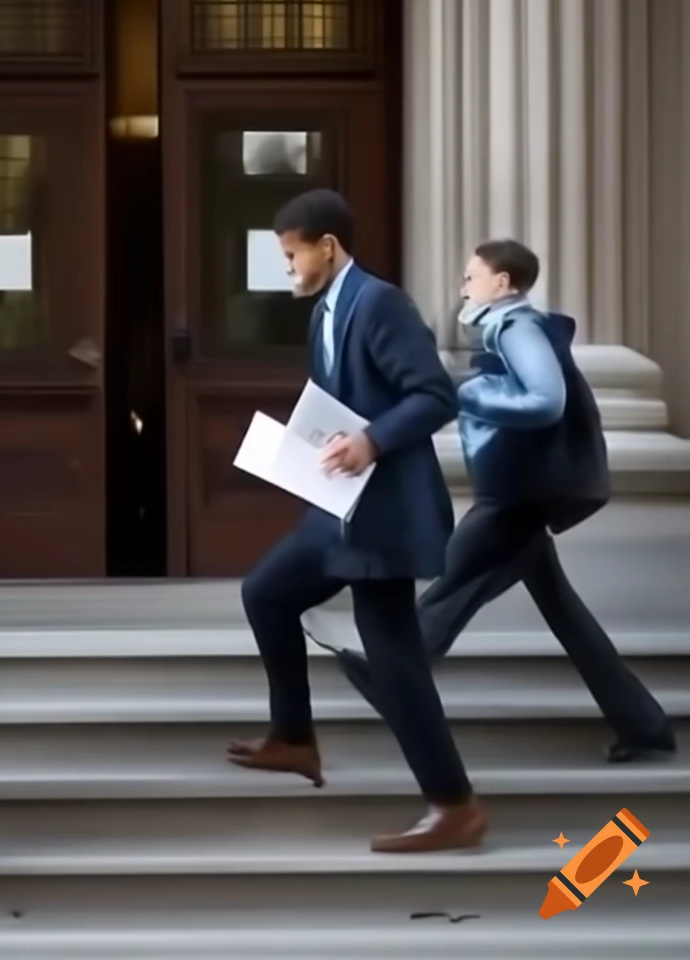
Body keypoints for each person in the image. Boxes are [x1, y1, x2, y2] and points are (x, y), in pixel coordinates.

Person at [336, 239, 676, 762]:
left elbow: (545, 400)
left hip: (519, 493)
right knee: (563, 612)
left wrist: (466, 394)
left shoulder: (518, 328)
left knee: (452, 574)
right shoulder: (505, 330)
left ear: (503, 284)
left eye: (472, 277)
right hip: (520, 490)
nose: (463, 286)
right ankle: (645, 725)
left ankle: (396, 669)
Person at [230, 189, 486, 852]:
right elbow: (339, 400)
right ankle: (293, 738)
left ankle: (454, 805)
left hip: (386, 516)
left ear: (328, 247)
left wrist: (371, 440)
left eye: (292, 255)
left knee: (394, 658)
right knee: (266, 592)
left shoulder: (380, 303)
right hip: (340, 510)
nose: (287, 268)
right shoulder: (326, 310)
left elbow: (435, 395)